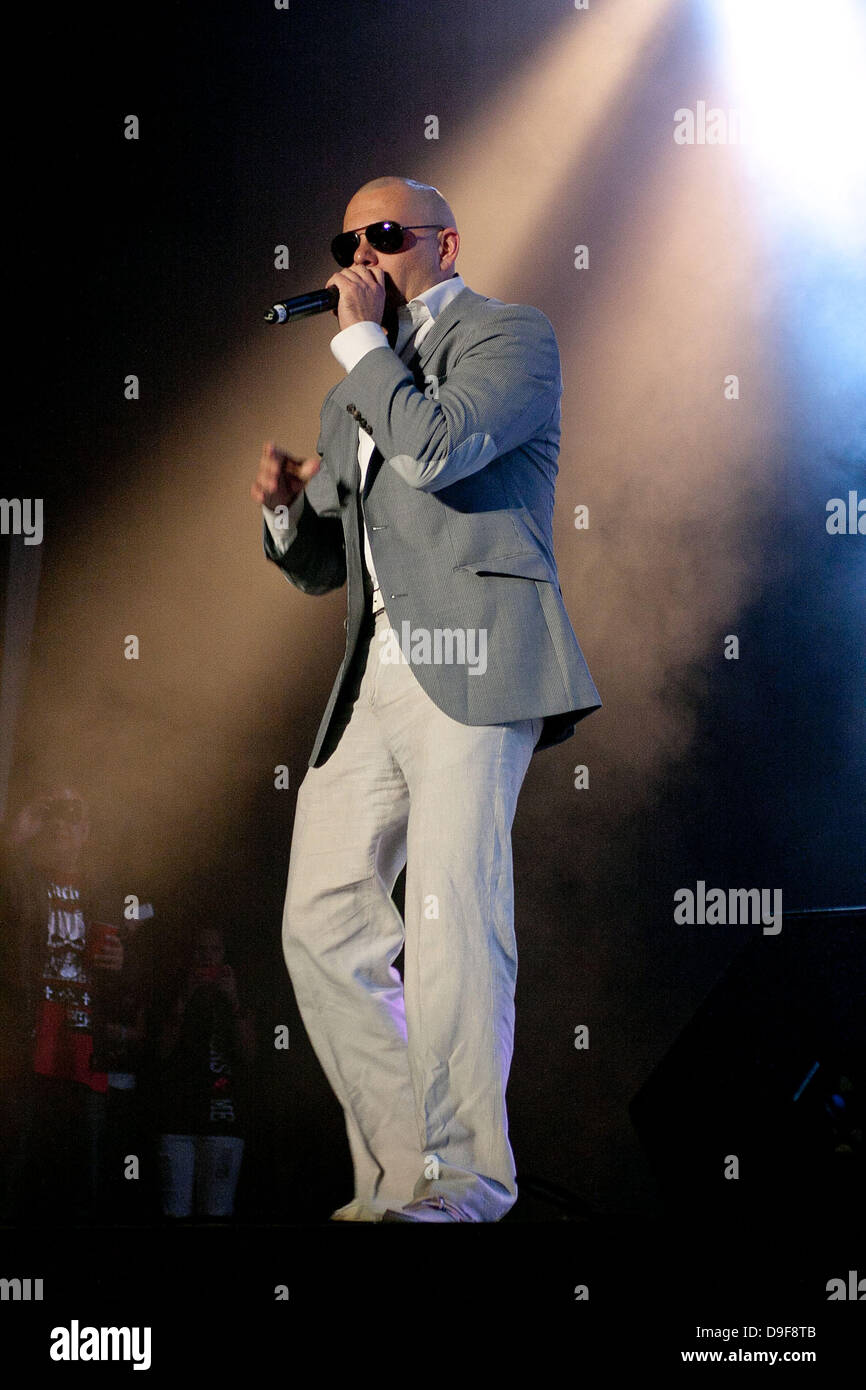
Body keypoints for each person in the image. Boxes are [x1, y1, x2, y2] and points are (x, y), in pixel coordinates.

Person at [251, 175, 601, 1222]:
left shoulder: (508, 336)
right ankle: (402, 1176)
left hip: (477, 652)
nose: (362, 257)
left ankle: (470, 1181)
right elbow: (327, 560)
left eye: (386, 236)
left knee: (449, 917)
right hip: (374, 673)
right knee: (320, 921)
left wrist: (363, 351)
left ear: (444, 244)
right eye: (346, 239)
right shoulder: (356, 381)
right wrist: (282, 514)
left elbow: (439, 444)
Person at [0, 785, 123, 1222]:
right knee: (16, 1158)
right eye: (53, 814)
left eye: (72, 816)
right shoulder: (20, 879)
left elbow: (127, 951)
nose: (60, 825)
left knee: (82, 1171)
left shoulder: (102, 887)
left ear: (86, 831)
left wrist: (121, 959)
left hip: (84, 1043)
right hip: (30, 1038)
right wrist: (18, 832)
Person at [155, 926, 255, 1221]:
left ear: (224, 954)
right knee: (175, 1212)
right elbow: (160, 1052)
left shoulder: (238, 989)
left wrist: (233, 1000)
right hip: (177, 1121)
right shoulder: (175, 987)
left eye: (215, 951)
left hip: (224, 1120)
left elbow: (250, 1054)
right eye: (201, 950)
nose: (207, 958)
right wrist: (184, 999)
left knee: (217, 1212)